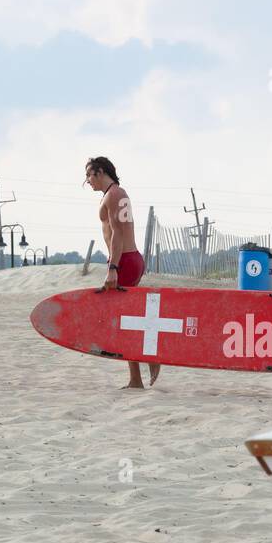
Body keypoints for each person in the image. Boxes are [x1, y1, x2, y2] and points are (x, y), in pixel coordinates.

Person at [85, 156, 161, 389]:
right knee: (125, 319)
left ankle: (149, 361)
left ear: (99, 172)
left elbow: (118, 233)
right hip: (129, 258)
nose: (88, 181)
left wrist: (113, 268)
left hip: (124, 261)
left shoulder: (114, 194)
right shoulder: (116, 193)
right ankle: (136, 377)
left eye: (89, 175)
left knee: (123, 321)